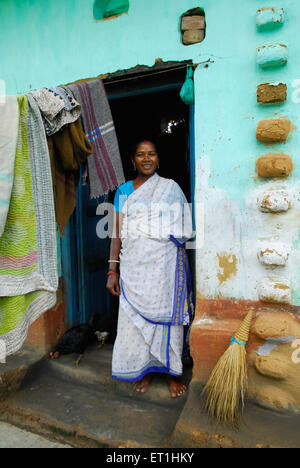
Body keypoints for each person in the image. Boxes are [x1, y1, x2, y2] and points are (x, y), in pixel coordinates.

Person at [106, 140, 194, 398]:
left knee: (167, 319)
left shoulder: (171, 188)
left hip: (164, 267)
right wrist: (113, 270)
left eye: (151, 154)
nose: (146, 158)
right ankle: (142, 370)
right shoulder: (122, 192)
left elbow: (184, 226)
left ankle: (171, 373)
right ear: (132, 160)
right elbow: (116, 233)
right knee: (134, 322)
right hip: (134, 267)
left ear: (158, 159)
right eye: (141, 154)